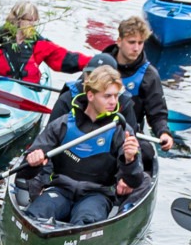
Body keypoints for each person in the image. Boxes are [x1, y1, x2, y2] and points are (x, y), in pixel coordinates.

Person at [16, 66, 145, 228]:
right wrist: (32, 160)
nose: (113, 101)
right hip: (60, 189)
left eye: (115, 96)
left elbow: (135, 181)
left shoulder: (121, 131)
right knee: (36, 214)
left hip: (97, 195)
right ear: (90, 95)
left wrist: (130, 160)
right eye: (107, 96)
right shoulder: (62, 124)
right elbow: (24, 171)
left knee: (86, 220)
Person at [51, 16, 173, 154]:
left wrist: (163, 132)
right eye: (132, 42)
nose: (136, 48)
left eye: (141, 43)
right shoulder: (99, 64)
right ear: (119, 41)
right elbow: (80, 91)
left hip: (125, 130)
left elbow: (157, 113)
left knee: (146, 153)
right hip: (87, 126)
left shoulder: (149, 76)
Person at [0, 1, 95, 85]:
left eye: (35, 21)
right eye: (30, 20)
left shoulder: (39, 44)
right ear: (17, 20)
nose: (33, 24)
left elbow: (66, 59)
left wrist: (94, 62)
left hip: (26, 94)